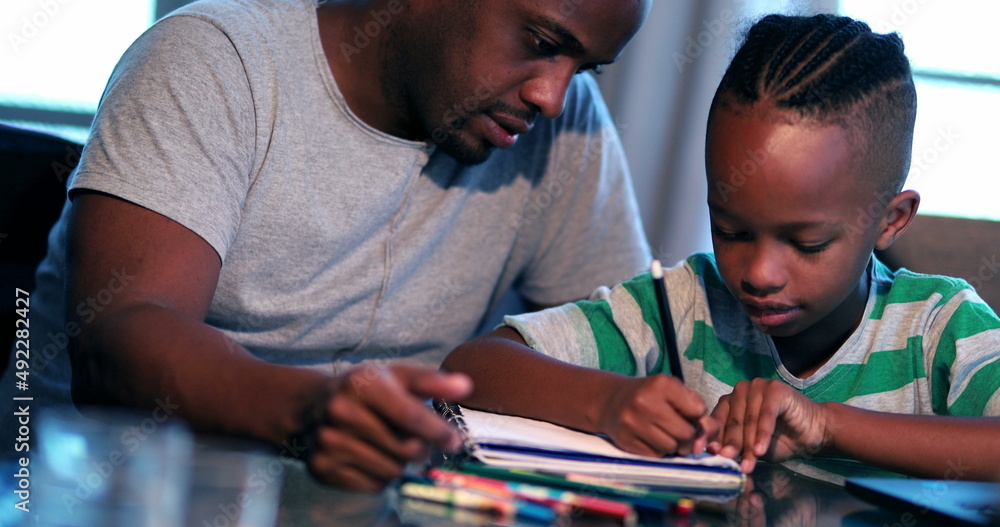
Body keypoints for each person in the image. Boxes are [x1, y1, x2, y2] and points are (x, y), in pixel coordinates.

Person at [0, 0, 655, 490]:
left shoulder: (567, 126)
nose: (553, 95)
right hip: (101, 496)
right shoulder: (213, 60)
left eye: (586, 67)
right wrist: (309, 409)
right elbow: (120, 339)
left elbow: (625, 351)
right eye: (541, 42)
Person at [443, 13, 1000, 481]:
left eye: (806, 243)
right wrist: (608, 400)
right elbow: (474, 367)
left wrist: (827, 426)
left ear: (891, 220)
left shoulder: (939, 327)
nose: (758, 272)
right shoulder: (684, 305)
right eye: (731, 230)